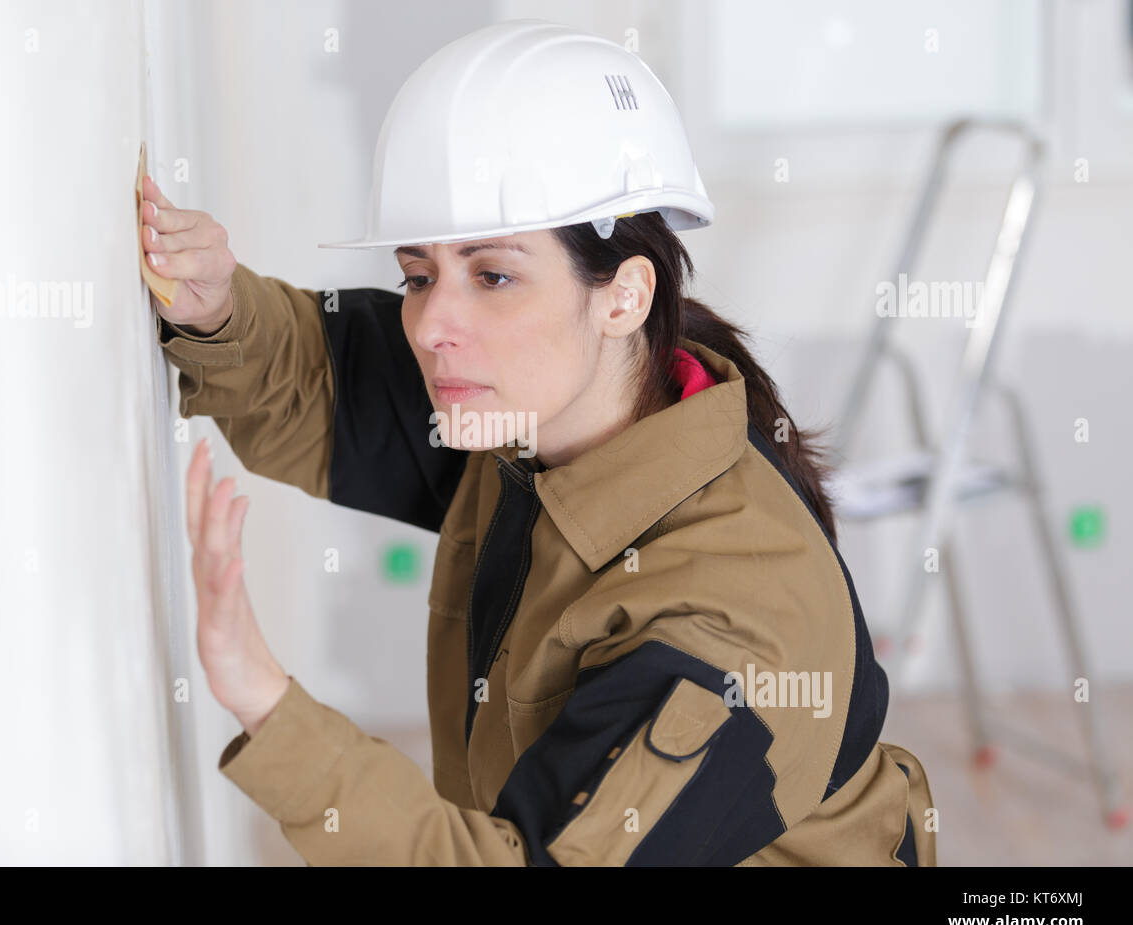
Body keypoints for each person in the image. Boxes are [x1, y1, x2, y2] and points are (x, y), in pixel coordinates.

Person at [144, 19, 936, 866]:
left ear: (625, 297)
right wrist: (216, 310)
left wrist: (264, 698)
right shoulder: (542, 415)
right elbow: (323, 381)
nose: (432, 324)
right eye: (418, 276)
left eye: (493, 276)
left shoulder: (727, 621)